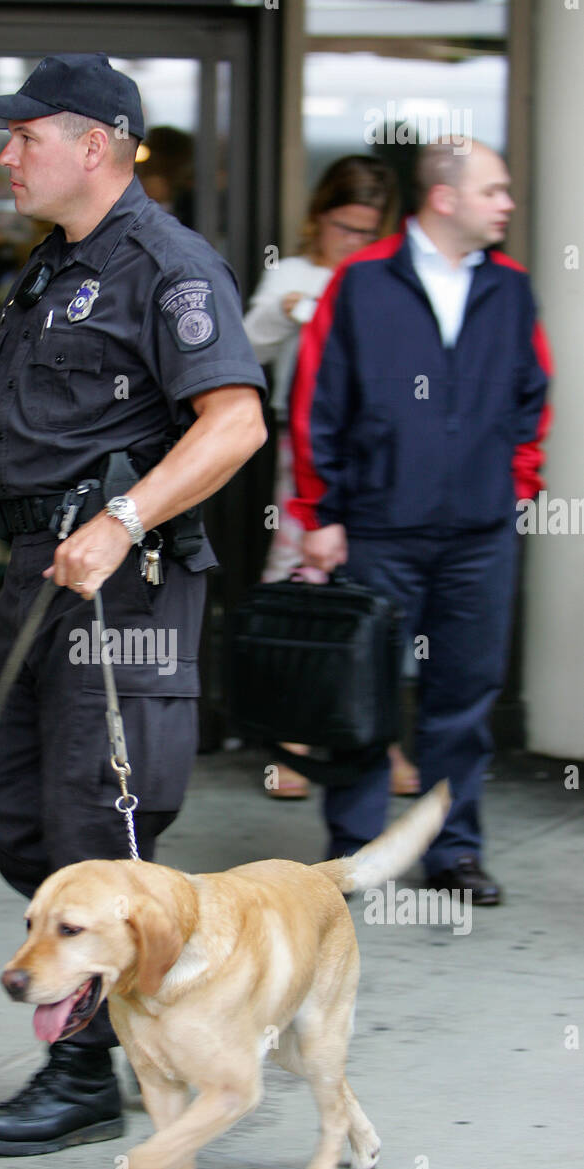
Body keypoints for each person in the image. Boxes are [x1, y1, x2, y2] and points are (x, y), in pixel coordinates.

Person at [0, 53, 267, 1154]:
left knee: (91, 816)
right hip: (39, 577)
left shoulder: (171, 267)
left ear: (95, 145)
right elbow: (31, 444)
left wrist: (123, 521)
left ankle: (81, 1070)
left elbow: (234, 422)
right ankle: (146, 972)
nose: (7, 155)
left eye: (25, 137)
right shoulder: (50, 268)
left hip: (127, 589)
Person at [289, 139, 551, 904]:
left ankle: (452, 853)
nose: (505, 203)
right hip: (375, 528)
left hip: (478, 534)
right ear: (444, 197)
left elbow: (532, 395)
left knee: (462, 702)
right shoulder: (359, 283)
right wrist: (320, 513)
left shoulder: (510, 288)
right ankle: (354, 856)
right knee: (361, 698)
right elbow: (317, 404)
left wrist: (518, 491)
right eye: (493, 191)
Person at [244, 155, 420, 800]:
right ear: (320, 218)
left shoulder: (392, 276)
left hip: (384, 453)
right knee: (299, 579)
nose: (355, 242)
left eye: (368, 232)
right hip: (307, 448)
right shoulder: (293, 272)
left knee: (376, 587)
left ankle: (376, 735)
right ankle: (289, 740)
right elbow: (245, 345)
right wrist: (289, 307)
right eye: (346, 227)